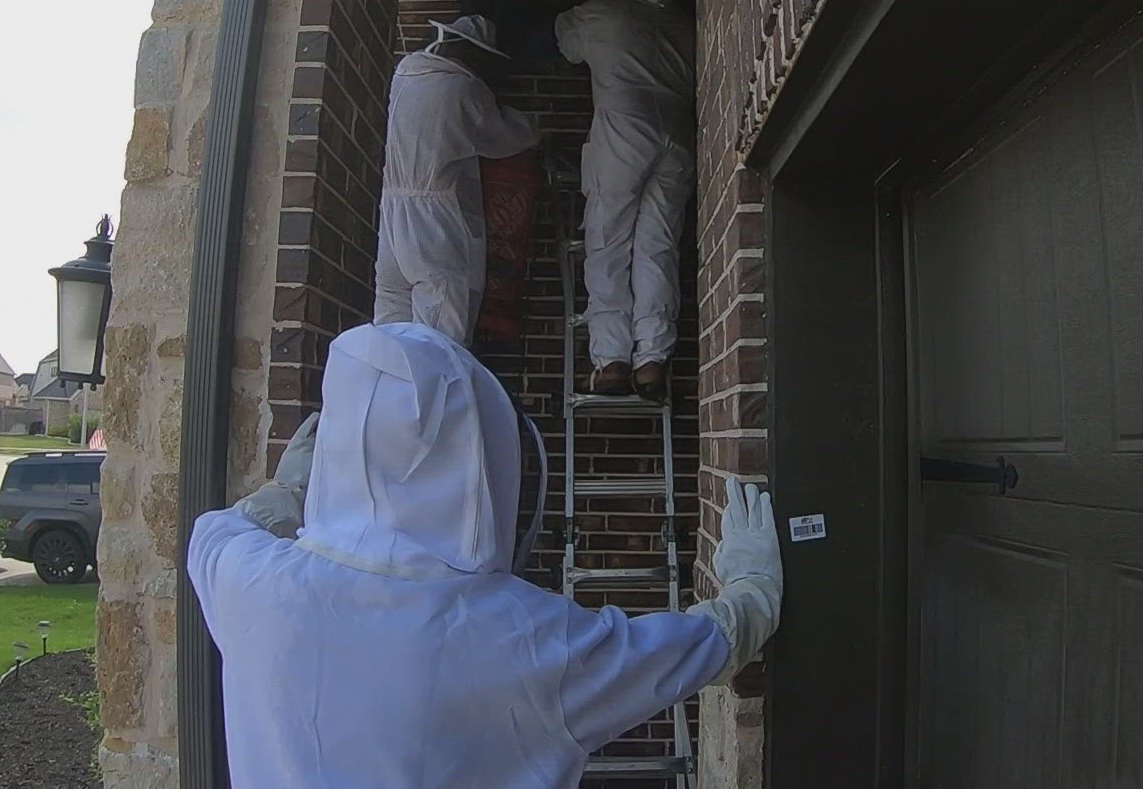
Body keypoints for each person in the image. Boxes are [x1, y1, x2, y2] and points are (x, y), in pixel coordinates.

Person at [189, 322, 783, 789]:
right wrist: (753, 590)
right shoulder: (516, 636)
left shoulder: (246, 579)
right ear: (473, 454)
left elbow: (213, 534)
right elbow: (687, 651)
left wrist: (287, 492)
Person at [555, 0, 696, 400]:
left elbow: (567, 46)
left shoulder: (597, 12)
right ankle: (652, 360)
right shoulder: (685, 24)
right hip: (679, 136)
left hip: (623, 132)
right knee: (658, 246)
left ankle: (612, 359)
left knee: (608, 242)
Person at [375, 15, 537, 345]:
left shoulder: (403, 76)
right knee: (442, 332)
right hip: (435, 219)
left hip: (390, 210)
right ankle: (433, 382)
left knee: (390, 322)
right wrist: (534, 128)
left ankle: (390, 379)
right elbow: (502, 137)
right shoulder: (464, 88)